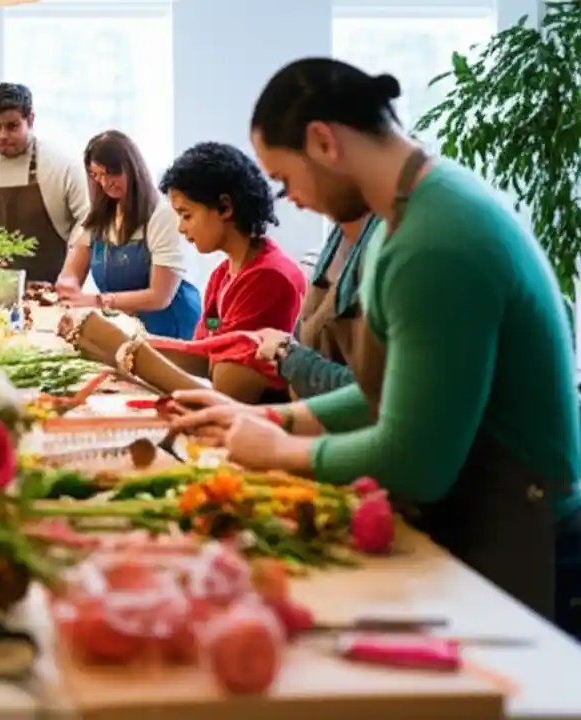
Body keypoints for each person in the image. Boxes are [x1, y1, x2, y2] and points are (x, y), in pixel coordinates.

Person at [171, 58, 580, 626]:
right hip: (480, 510)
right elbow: (392, 392)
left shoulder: (435, 240)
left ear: (323, 142)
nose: (289, 199)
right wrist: (275, 422)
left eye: (286, 180)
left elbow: (414, 460)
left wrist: (282, 454)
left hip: (521, 532)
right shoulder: (405, 217)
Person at [154, 141, 307, 401]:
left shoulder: (269, 278)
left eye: (186, 215)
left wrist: (133, 350)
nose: (180, 227)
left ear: (225, 207)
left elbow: (226, 377)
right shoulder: (222, 275)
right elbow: (204, 349)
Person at [55, 130, 201, 339]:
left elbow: (159, 296)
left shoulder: (161, 214)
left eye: (112, 173)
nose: (106, 183)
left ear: (132, 168)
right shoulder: (97, 215)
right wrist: (68, 285)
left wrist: (98, 301)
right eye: (97, 175)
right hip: (125, 324)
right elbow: (72, 269)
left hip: (167, 323)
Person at [0, 83, 89, 283]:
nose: (2, 136)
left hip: (49, 294)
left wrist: (71, 275)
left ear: (31, 119)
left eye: (12, 126)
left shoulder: (61, 166)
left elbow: (88, 222)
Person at [252, 212, 383, 399]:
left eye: (192, 215)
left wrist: (290, 358)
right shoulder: (341, 236)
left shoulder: (394, 248)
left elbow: (376, 396)